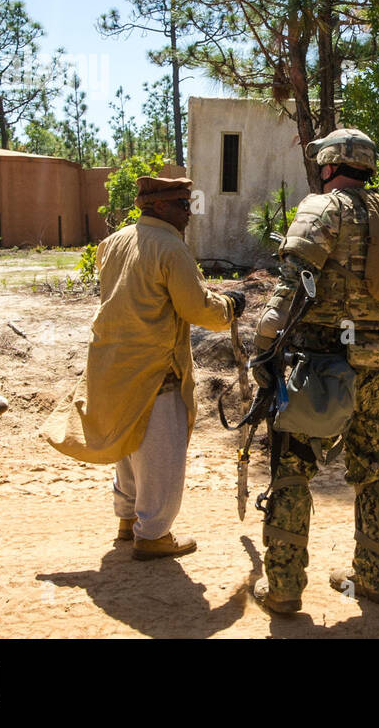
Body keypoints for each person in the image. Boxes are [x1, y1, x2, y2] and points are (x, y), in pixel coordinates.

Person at [250, 128, 379, 615]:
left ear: (328, 166)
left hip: (321, 368)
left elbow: (291, 286)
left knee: (293, 469)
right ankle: (376, 579)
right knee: (375, 471)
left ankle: (282, 588)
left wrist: (263, 348)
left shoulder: (322, 208)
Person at [42, 176, 246, 559]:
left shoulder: (114, 242)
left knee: (127, 443)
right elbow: (197, 309)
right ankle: (152, 535)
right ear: (160, 207)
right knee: (160, 457)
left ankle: (126, 521)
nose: (189, 213)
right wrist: (230, 307)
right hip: (156, 371)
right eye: (182, 206)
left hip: (113, 364)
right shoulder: (171, 248)